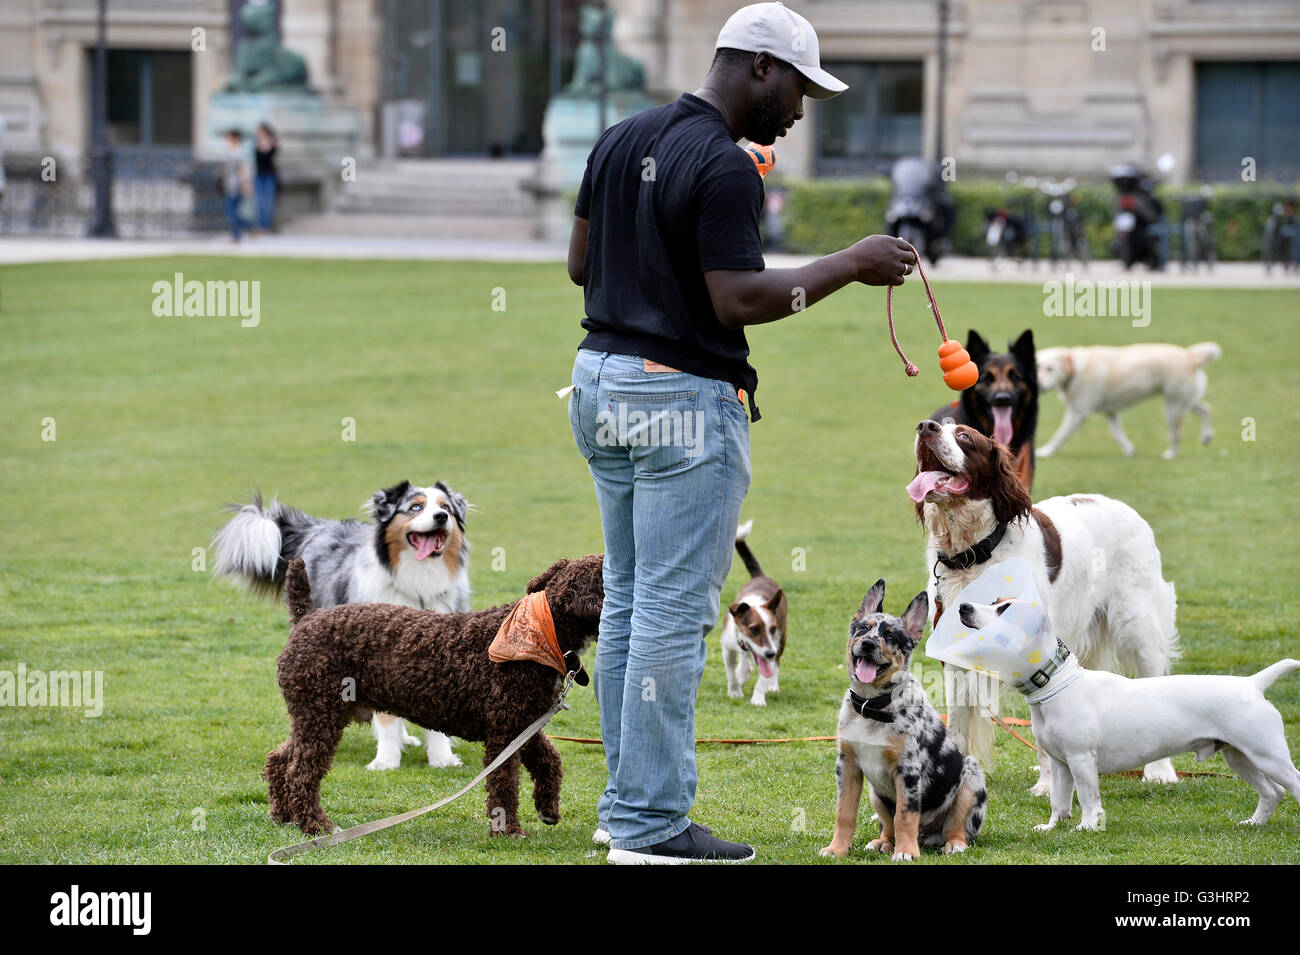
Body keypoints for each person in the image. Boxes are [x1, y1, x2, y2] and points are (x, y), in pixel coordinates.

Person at [565, 1, 915, 865]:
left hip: (598, 380)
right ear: (761, 67)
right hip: (680, 400)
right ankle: (648, 828)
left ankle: (625, 808)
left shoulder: (619, 136)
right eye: (800, 88)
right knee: (672, 619)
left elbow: (580, 263)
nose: (801, 111)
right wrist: (852, 264)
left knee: (635, 606)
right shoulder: (724, 164)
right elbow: (737, 299)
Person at [222, 129, 253, 242]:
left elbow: (243, 169)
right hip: (230, 184)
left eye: (229, 138)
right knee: (232, 210)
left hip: (236, 185)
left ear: (234, 138)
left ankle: (236, 235)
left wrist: (246, 185)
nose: (227, 141)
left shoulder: (239, 152)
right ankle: (250, 227)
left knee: (230, 211)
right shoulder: (230, 151)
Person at [253, 123, 279, 233]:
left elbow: (272, 154)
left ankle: (267, 225)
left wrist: (268, 143)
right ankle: (260, 225)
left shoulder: (272, 143)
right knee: (259, 202)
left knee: (268, 201)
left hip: (269, 175)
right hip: (259, 175)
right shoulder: (257, 144)